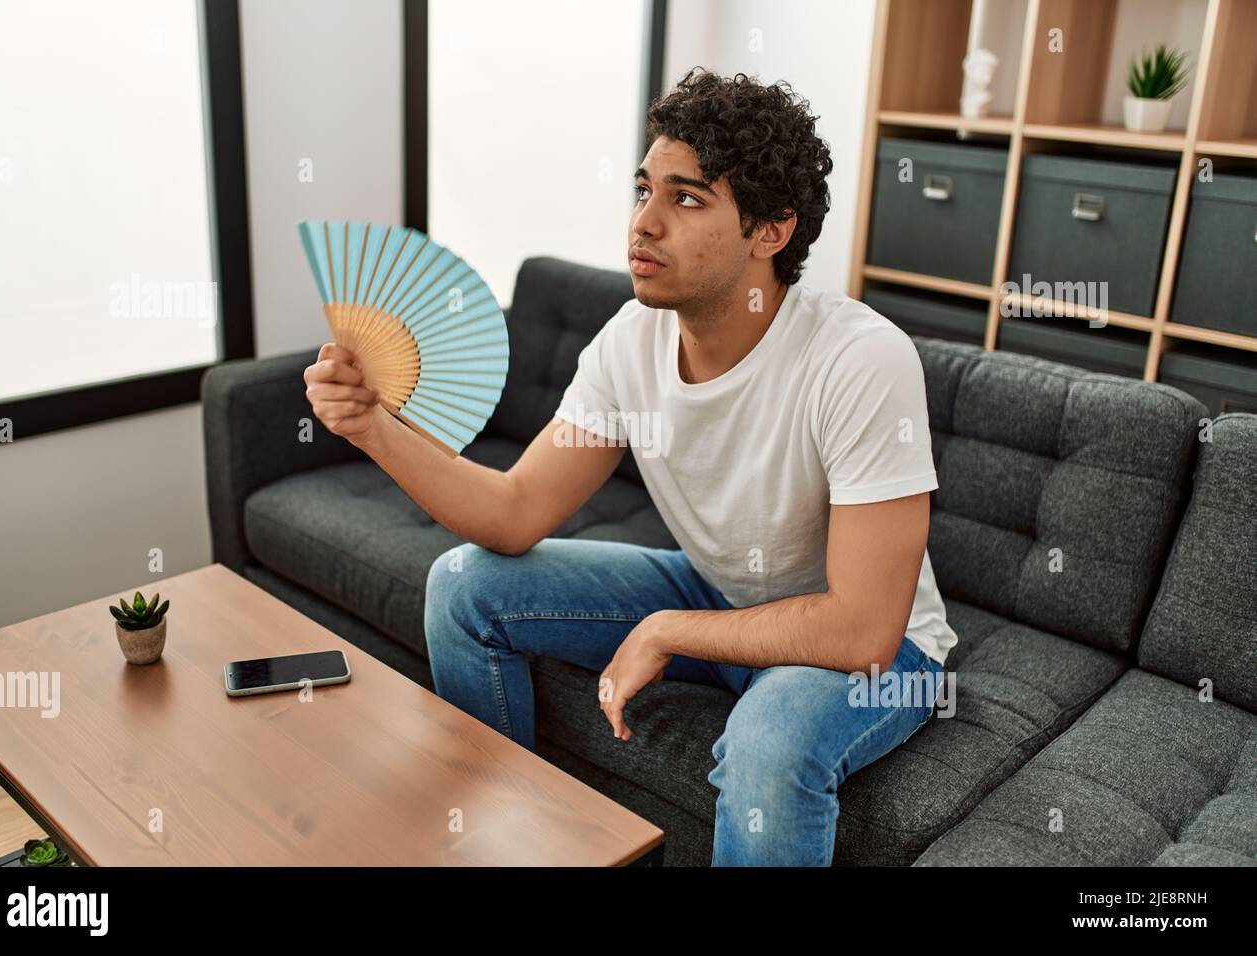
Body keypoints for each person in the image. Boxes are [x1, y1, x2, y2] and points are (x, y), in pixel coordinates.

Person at [303, 67, 956, 866]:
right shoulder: (629, 340)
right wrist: (373, 426)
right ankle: (506, 846)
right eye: (644, 189)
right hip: (719, 587)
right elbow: (514, 513)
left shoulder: (860, 360)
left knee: (770, 745)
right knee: (463, 585)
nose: (643, 223)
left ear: (771, 230)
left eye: (685, 199)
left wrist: (668, 630)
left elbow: (863, 629)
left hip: (884, 649)